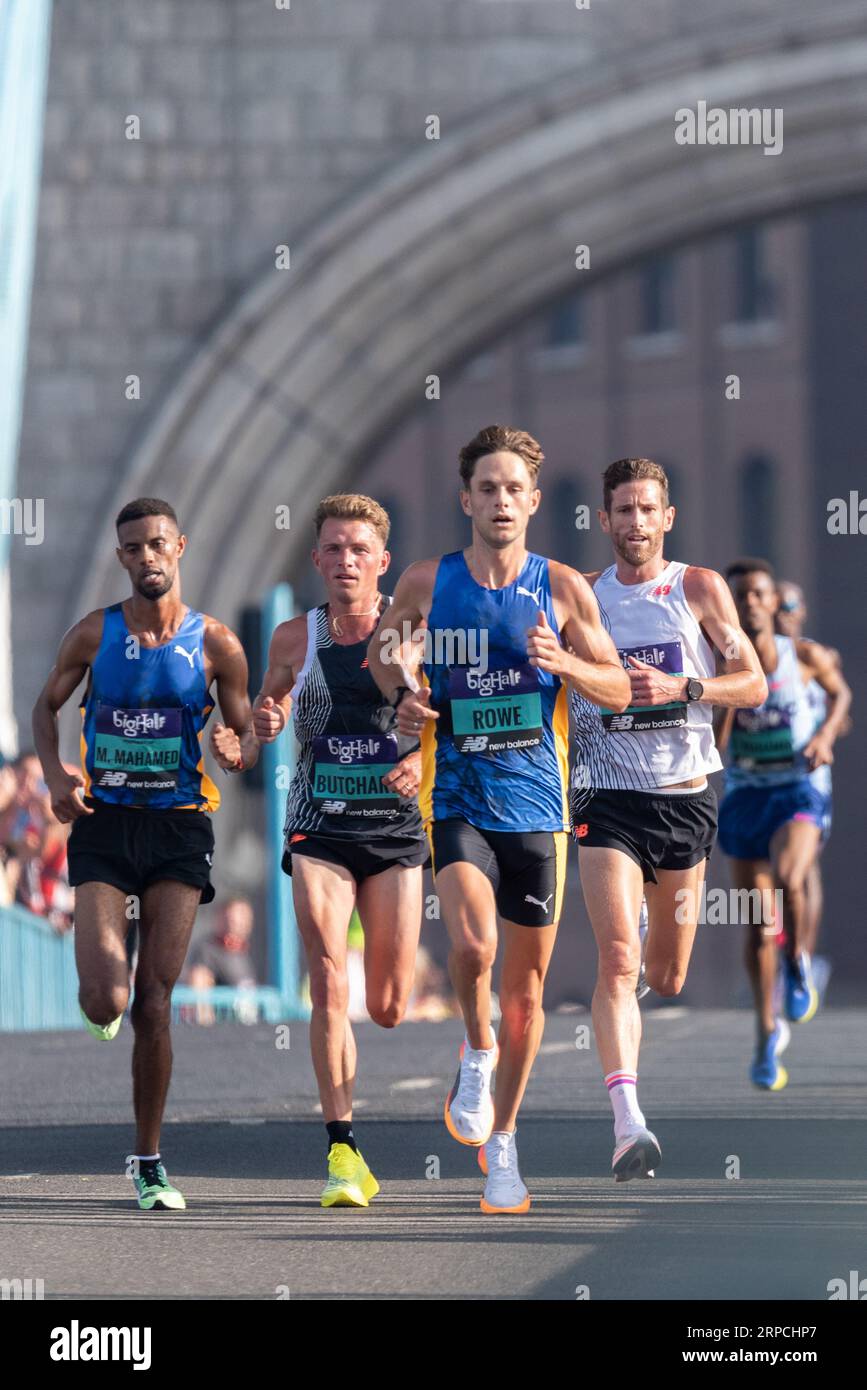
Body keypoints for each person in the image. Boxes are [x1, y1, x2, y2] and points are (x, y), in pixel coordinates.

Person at [368, 424, 631, 1213]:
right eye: (487, 488)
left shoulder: (560, 589)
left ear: (534, 501)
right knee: (473, 945)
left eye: (514, 489)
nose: (501, 501)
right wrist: (403, 692)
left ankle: (505, 1146)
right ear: (466, 500)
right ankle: (474, 1049)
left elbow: (616, 688)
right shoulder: (426, 581)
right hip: (455, 794)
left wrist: (568, 665)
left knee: (527, 995)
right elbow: (384, 656)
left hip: (538, 807)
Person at [31, 498, 256, 1210]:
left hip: (179, 831)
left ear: (179, 546)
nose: (147, 558)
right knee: (107, 996)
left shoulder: (217, 644)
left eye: (158, 544)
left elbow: (245, 738)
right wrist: (56, 774)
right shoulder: (95, 635)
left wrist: (234, 748)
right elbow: (45, 708)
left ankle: (149, 1160)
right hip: (105, 824)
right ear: (122, 557)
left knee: (153, 1003)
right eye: (133, 549)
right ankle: (100, 992)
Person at [568, 459, 766, 1179]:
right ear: (604, 519)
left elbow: (752, 682)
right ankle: (628, 1124)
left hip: (684, 795)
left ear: (667, 517)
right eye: (621, 510)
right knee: (617, 962)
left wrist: (685, 686)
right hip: (605, 798)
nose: (635, 522)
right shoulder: (582, 596)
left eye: (646, 509)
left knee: (666, 975)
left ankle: (652, 927)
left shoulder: (696, 587)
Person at [235, 493, 427, 1209]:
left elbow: (439, 717)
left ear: (383, 562)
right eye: (333, 549)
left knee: (386, 1005)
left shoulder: (411, 635)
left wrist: (420, 753)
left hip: (394, 830)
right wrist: (262, 720)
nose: (345, 561)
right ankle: (342, 1149)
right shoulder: (294, 637)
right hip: (319, 822)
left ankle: (353, 1141)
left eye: (359, 550)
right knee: (326, 974)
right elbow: (268, 705)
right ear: (316, 559)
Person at [716, 559, 850, 1089]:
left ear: (772, 602)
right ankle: (766, 1034)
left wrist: (824, 737)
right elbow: (718, 744)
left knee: (793, 877)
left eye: (758, 594)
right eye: (739, 596)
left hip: (800, 786)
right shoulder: (721, 662)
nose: (749, 603)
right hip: (748, 793)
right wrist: (724, 692)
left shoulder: (805, 656)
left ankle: (798, 960)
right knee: (755, 919)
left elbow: (841, 695)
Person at [774, 579, 852, 999]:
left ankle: (801, 955)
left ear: (801, 611)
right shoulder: (759, 657)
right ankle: (781, 948)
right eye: (776, 606)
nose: (782, 613)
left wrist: (822, 736)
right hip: (763, 780)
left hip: (808, 780)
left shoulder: (816, 656)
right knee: (772, 870)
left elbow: (844, 717)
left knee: (802, 872)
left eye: (789, 606)